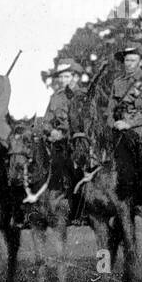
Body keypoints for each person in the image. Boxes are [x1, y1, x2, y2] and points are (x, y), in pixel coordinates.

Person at [43, 58, 83, 191]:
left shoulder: (83, 96)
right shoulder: (55, 97)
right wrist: (51, 131)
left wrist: (63, 133)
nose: (62, 80)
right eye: (60, 76)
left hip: (79, 143)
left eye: (66, 76)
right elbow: (47, 121)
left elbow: (84, 122)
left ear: (75, 77)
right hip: (59, 145)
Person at [109, 44, 142, 142]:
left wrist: (129, 124)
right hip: (119, 131)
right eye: (127, 60)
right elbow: (111, 110)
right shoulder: (118, 83)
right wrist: (112, 125)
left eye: (133, 60)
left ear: (141, 62)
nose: (128, 64)